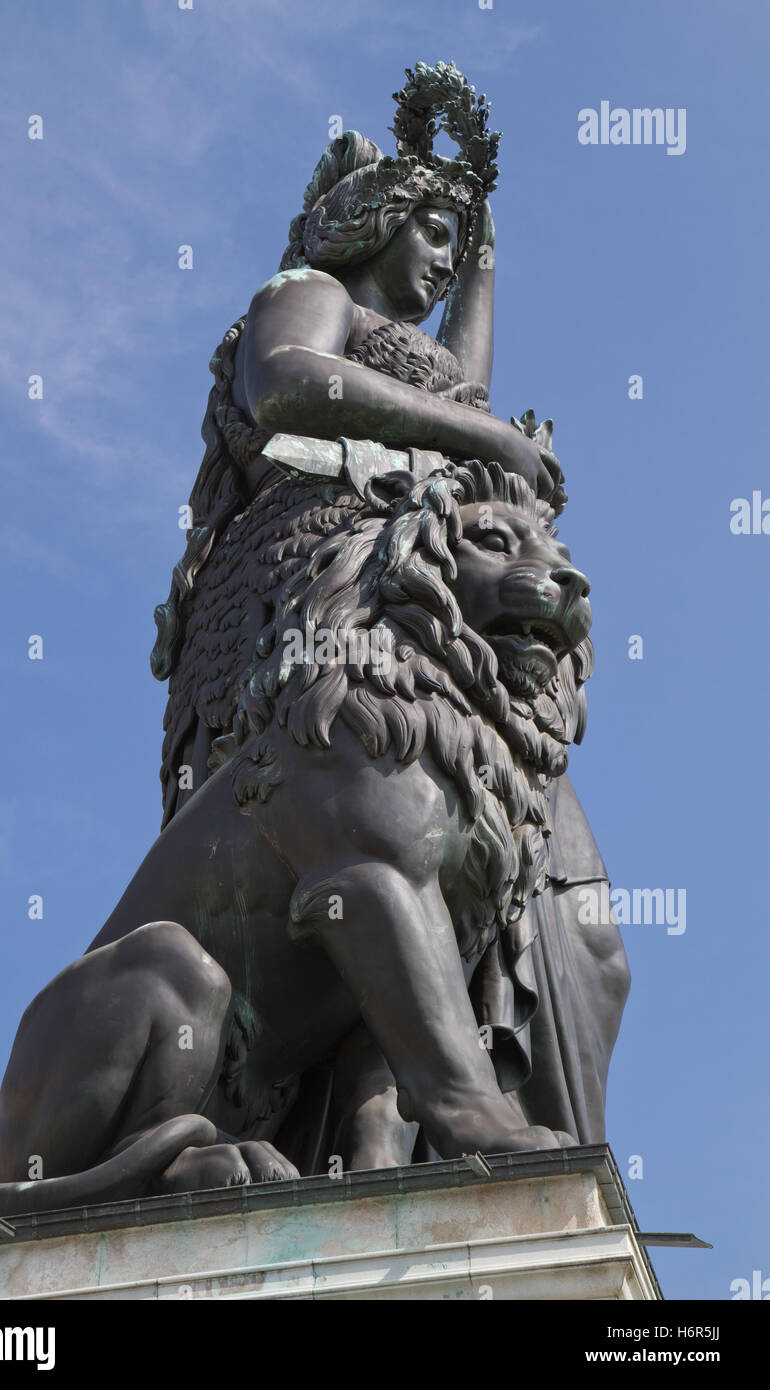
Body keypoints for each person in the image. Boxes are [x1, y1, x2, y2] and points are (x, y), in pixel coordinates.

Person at [149, 64, 628, 1165]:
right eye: (432, 233)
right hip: (320, 597)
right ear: (372, 223)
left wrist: (487, 240)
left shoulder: (428, 357)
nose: (446, 259)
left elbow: (460, 390)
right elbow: (283, 382)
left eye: (457, 244)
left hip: (433, 626)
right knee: (366, 834)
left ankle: (404, 1138)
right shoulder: (304, 294)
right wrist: (482, 440)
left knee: (538, 911)